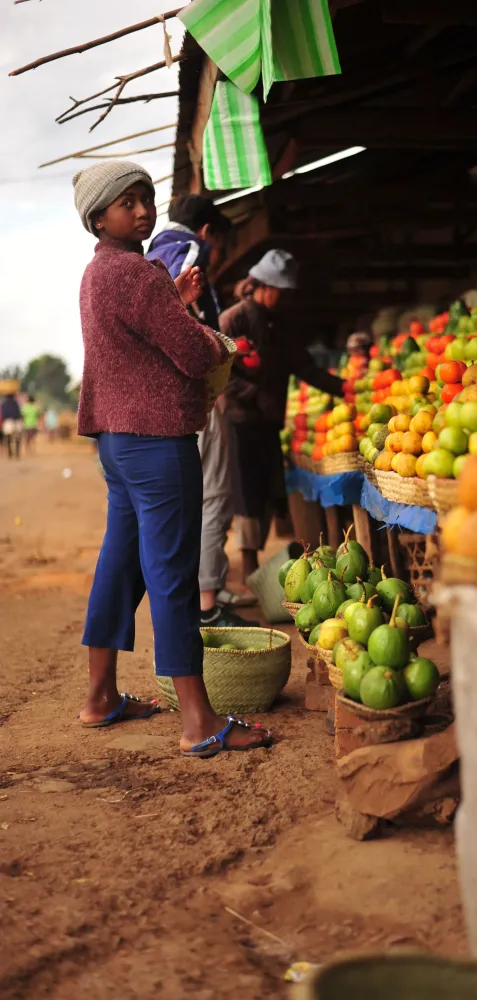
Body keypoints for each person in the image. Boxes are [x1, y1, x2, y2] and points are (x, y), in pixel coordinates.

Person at [72, 160, 271, 757]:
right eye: (127, 203)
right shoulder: (137, 273)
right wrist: (216, 339)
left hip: (118, 443)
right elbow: (188, 353)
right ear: (98, 216)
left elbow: (142, 341)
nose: (142, 210)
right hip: (157, 443)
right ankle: (198, 720)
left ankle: (101, 697)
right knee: (172, 575)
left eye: (145, 199)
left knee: (123, 565)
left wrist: (174, 303)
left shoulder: (97, 273)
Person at [147, 195, 257, 629]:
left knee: (188, 496)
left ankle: (200, 592)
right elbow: (175, 319)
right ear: (208, 231)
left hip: (166, 396)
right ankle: (207, 601)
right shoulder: (189, 252)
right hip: (194, 389)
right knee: (214, 493)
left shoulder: (153, 251)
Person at [220, 249, 346, 583]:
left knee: (268, 491)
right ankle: (248, 569)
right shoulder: (234, 319)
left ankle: (265, 569)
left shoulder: (281, 324)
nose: (284, 297)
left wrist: (343, 387)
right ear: (264, 285)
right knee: (247, 493)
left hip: (269, 420)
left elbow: (302, 365)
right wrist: (255, 395)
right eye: (281, 291)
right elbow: (220, 374)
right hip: (240, 419)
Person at [2, 394, 23, 459]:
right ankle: (17, 452)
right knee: (18, 438)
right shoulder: (16, 403)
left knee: (8, 438)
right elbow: (19, 413)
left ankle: (10, 452)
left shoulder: (4, 403)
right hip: (16, 421)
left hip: (8, 422)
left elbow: (3, 414)